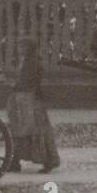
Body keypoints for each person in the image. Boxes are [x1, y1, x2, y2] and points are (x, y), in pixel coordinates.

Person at [8, 36, 60, 173]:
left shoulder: (34, 63)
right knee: (22, 130)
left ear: (29, 49)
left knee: (32, 130)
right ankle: (16, 161)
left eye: (23, 47)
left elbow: (31, 82)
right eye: (19, 46)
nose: (20, 49)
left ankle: (47, 161)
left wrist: (17, 86)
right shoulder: (24, 62)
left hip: (30, 100)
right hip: (23, 99)